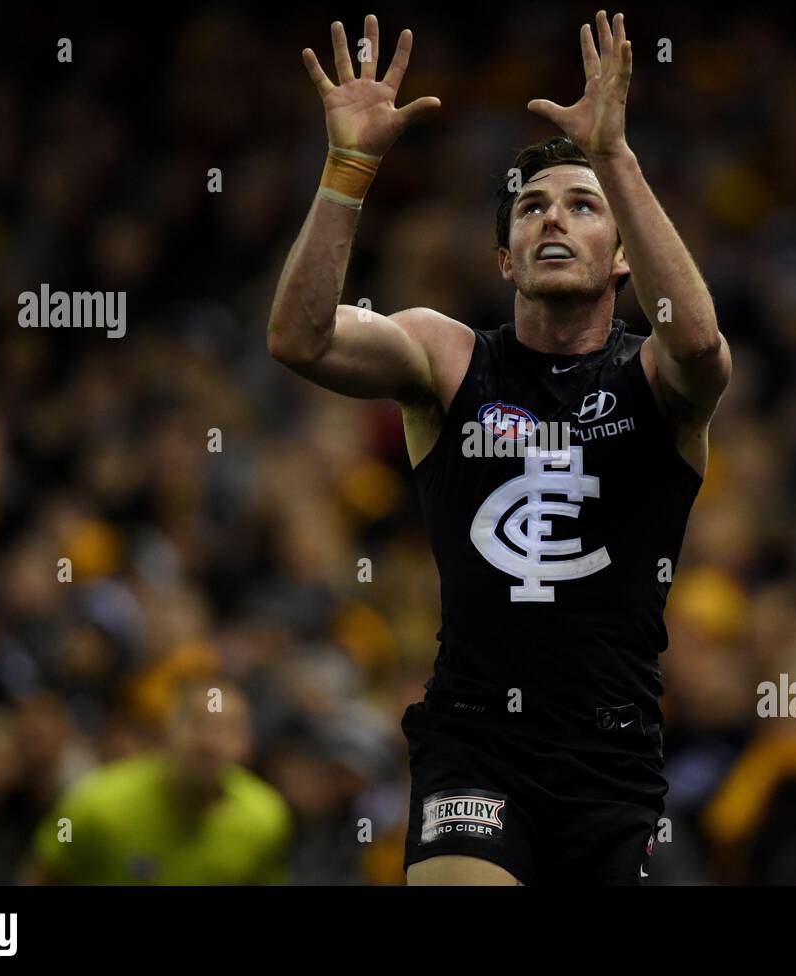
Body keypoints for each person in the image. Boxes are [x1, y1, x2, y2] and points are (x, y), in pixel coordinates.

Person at [269, 11, 729, 884]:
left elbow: (703, 346)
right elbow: (301, 339)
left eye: (581, 207)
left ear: (620, 256)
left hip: (612, 756)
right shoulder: (448, 357)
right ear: (506, 259)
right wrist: (349, 168)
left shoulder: (659, 380)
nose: (553, 220)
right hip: (475, 744)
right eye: (531, 209)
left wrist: (617, 160)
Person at [26, 680, 290, 883]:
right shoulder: (97, 802)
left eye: (228, 730)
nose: (210, 744)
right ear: (167, 731)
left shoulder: (266, 820)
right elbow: (47, 873)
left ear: (247, 745)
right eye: (198, 724)